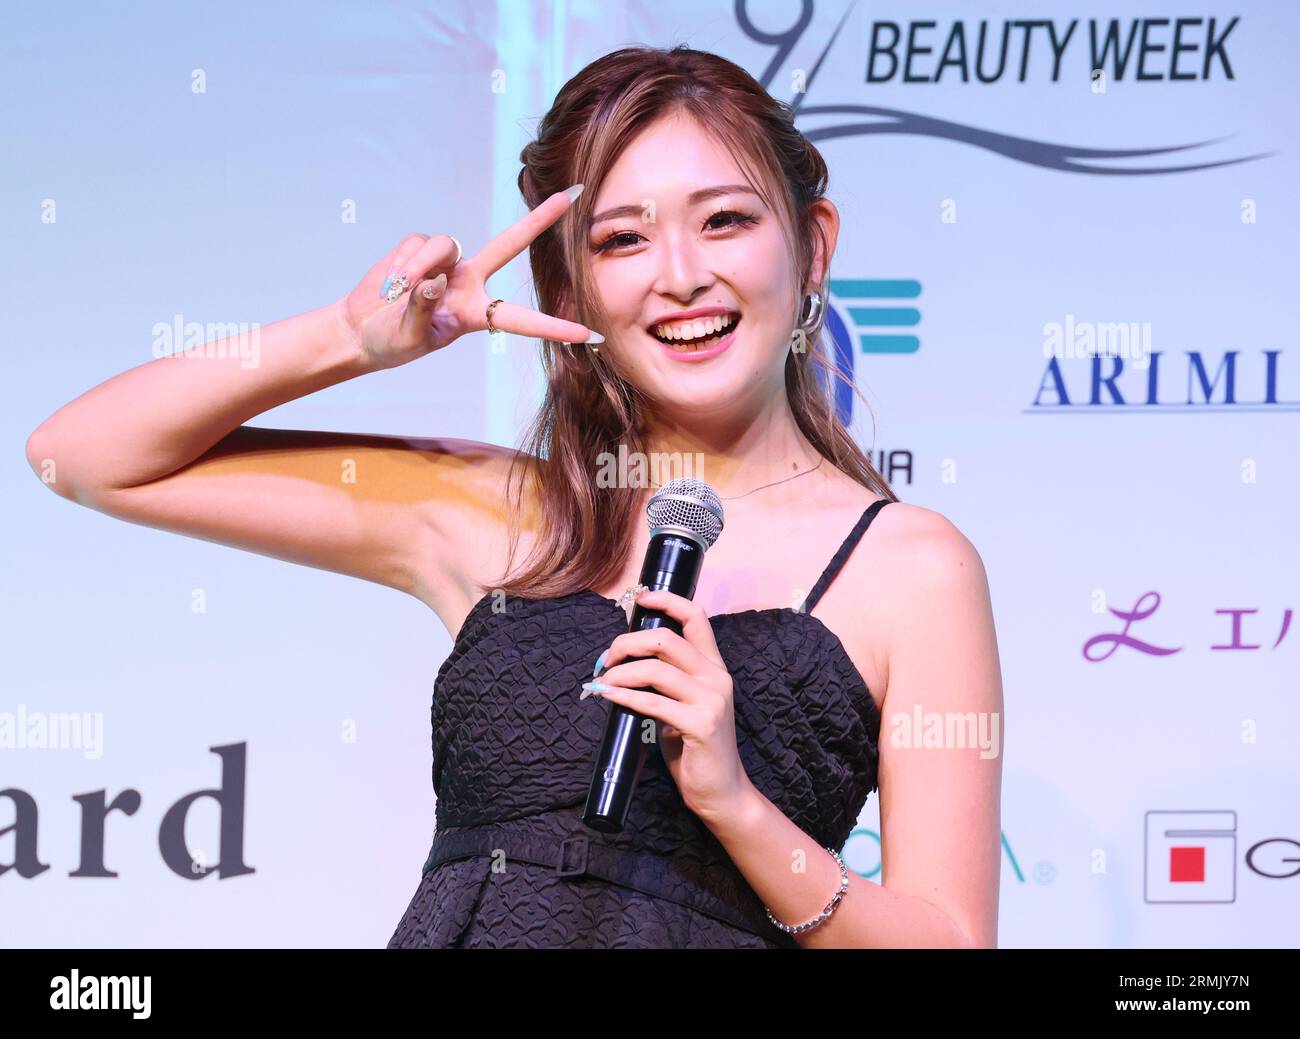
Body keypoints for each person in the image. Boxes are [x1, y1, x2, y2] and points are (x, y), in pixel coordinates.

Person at [25, 44, 1003, 949]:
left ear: (812, 245)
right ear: (568, 291)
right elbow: (86, 456)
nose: (680, 276)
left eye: (725, 220)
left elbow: (952, 940)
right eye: (621, 240)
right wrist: (347, 337)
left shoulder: (909, 566)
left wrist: (737, 805)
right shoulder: (491, 512)